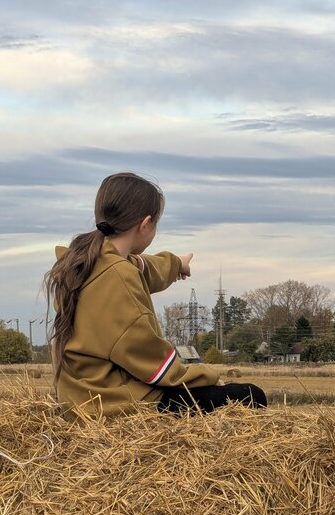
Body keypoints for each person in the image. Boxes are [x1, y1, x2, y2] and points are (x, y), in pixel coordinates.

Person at [44, 172, 266, 417]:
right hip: (112, 403)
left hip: (81, 396)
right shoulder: (118, 276)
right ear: (146, 224)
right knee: (250, 396)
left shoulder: (89, 260)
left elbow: (144, 268)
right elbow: (151, 360)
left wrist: (176, 264)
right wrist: (207, 377)